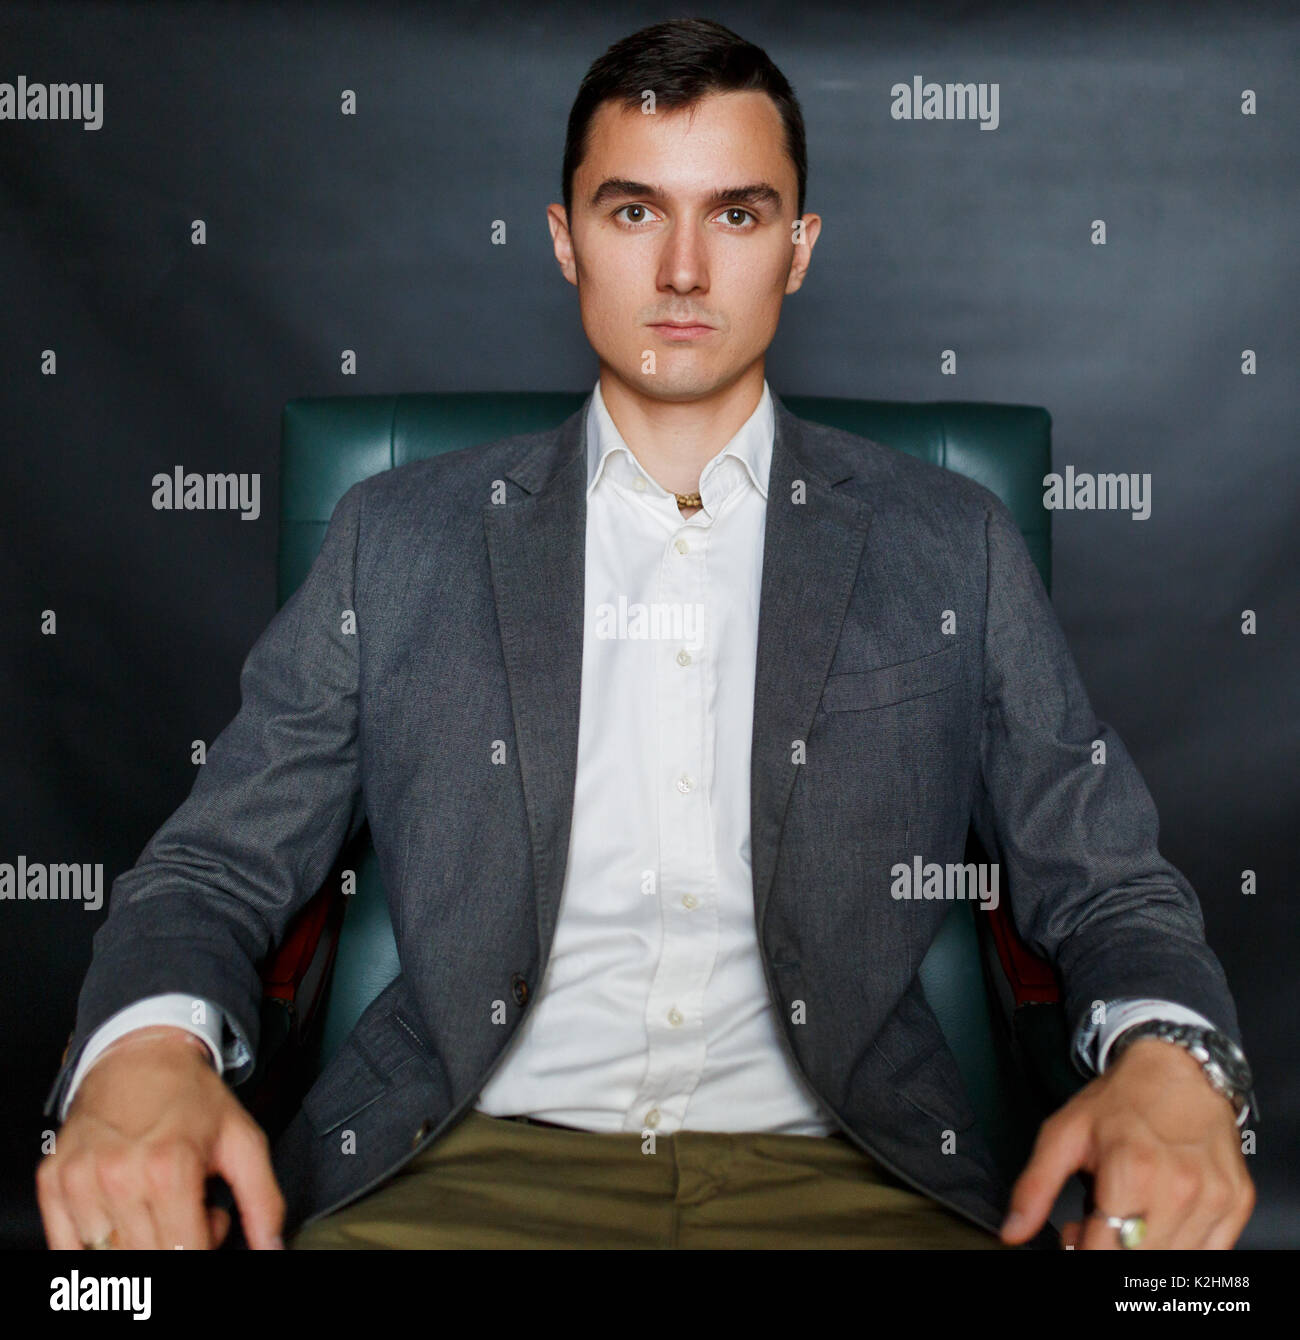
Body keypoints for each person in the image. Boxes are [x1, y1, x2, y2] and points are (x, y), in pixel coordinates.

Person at [37, 18, 1255, 1252]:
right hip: (455, 1164)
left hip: (850, 1174)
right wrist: (144, 1050)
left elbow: (1104, 883)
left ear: (797, 248)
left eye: (735, 214)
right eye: (632, 213)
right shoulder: (394, 538)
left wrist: (1173, 1057)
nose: (681, 269)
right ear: (565, 240)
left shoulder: (952, 542)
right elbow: (212, 871)